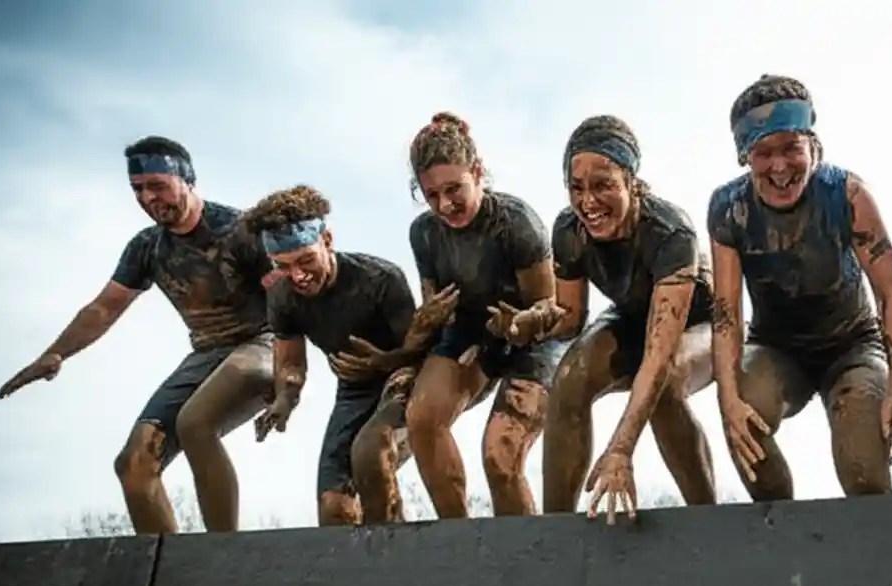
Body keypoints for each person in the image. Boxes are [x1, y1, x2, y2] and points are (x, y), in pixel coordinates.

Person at [0, 136, 276, 534]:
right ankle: (163, 575)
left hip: (263, 346)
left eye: (157, 185)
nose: (147, 197)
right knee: (134, 464)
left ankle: (224, 554)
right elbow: (104, 307)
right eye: (137, 189)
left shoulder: (241, 230)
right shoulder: (147, 247)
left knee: (195, 424)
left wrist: (294, 378)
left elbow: (290, 302)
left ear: (188, 178)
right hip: (206, 355)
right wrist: (54, 353)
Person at [708, 75, 892, 502]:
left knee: (863, 472)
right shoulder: (729, 209)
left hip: (852, 346)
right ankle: (778, 525)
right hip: (778, 347)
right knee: (745, 418)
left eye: (791, 148)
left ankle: (882, 560)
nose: (780, 166)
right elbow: (727, 312)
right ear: (745, 158)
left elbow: (891, 294)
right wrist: (728, 399)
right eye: (764, 153)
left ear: (812, 146)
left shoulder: (846, 193)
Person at [541, 115, 718, 524]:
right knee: (569, 378)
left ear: (631, 183)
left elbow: (656, 358)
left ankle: (708, 519)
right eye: (577, 188)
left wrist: (620, 448)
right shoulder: (569, 230)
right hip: (631, 315)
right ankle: (554, 534)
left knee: (665, 382)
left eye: (603, 186)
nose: (588, 202)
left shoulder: (670, 232)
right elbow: (569, 322)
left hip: (698, 322)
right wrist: (534, 320)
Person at [245, 185, 456, 526]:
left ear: (327, 240)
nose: (297, 275)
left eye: (305, 260)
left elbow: (421, 352)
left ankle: (400, 551)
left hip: (403, 377)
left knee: (370, 456)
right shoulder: (282, 296)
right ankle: (366, 569)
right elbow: (291, 362)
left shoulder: (380, 279)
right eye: (283, 266)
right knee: (334, 505)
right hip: (354, 390)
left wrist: (382, 362)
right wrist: (285, 397)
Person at [405, 112, 566, 519]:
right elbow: (436, 307)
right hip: (471, 331)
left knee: (500, 455)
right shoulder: (424, 233)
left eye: (454, 189)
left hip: (534, 335)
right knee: (421, 418)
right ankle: (459, 541)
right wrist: (426, 322)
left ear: (477, 172)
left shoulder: (516, 223)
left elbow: (551, 308)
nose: (444, 204)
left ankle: (527, 566)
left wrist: (519, 325)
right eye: (431, 195)